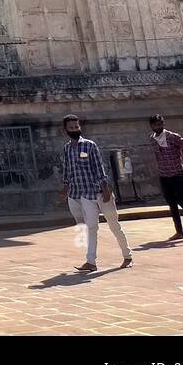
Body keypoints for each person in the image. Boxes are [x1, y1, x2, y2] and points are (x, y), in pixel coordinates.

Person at [60, 114, 133, 272]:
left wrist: (105, 188)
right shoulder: (66, 149)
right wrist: (65, 187)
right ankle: (91, 262)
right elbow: (66, 170)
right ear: (65, 129)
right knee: (91, 227)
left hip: (100, 191)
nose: (75, 130)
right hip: (85, 194)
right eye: (71, 128)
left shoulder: (89, 145)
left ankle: (127, 256)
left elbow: (98, 167)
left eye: (76, 127)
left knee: (114, 225)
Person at [148, 115, 183, 240]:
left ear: (163, 124)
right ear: (151, 126)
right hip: (164, 175)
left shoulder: (172, 137)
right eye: (155, 125)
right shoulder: (152, 140)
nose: (158, 127)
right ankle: (179, 232)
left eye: (160, 124)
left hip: (177, 174)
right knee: (172, 205)